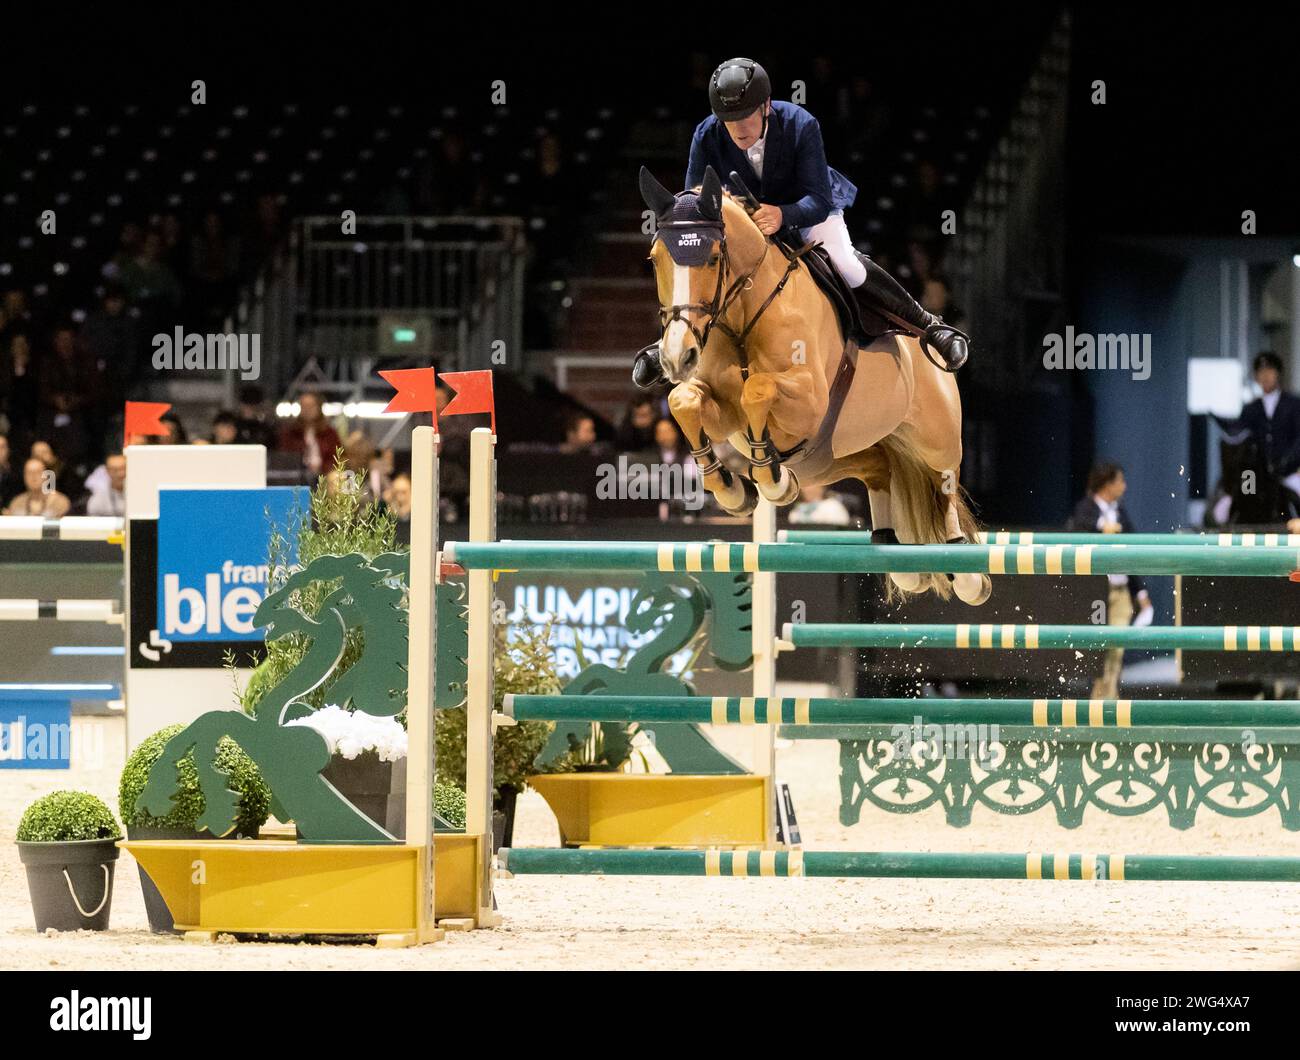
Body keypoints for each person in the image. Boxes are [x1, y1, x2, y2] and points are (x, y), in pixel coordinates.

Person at [633, 57, 970, 391]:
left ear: (766, 106)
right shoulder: (706, 134)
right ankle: (670, 346)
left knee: (845, 263)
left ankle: (929, 326)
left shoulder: (800, 124)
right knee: (702, 270)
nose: (737, 129)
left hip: (804, 211)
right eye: (728, 119)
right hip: (746, 228)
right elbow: (695, 207)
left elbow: (818, 200)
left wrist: (782, 215)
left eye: (745, 117)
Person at [1068, 462, 1154, 699]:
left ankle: (1105, 702)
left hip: (1120, 590)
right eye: (1120, 481)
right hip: (1095, 591)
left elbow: (1131, 554)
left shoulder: (1121, 513)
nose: (1124, 487)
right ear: (1108, 484)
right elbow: (1077, 530)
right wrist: (1101, 527)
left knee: (1116, 647)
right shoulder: (1085, 509)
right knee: (1099, 649)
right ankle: (1104, 704)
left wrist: (1141, 593)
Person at [1214, 352, 1300, 519]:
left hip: (1287, 473)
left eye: (1269, 371)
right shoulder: (1250, 409)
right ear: (1256, 376)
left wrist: (1287, 461)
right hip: (1255, 475)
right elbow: (1238, 434)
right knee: (1228, 506)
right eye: (1261, 372)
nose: (1265, 376)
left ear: (1278, 374)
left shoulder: (1294, 404)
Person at [277, 391, 342, 478]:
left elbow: (338, 457)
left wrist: (323, 469)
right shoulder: (290, 433)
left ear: (318, 408)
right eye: (304, 406)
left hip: (325, 474)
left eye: (311, 406)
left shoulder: (330, 433)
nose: (307, 410)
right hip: (298, 475)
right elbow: (286, 457)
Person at [4, 456, 71, 517]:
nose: (33, 477)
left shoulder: (60, 502)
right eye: (29, 473)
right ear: (24, 477)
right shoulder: (16, 504)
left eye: (38, 472)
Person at [83, 452, 127, 517]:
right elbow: (92, 517)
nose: (119, 474)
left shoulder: (138, 492)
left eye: (123, 469)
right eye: (115, 470)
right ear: (107, 470)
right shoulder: (99, 494)